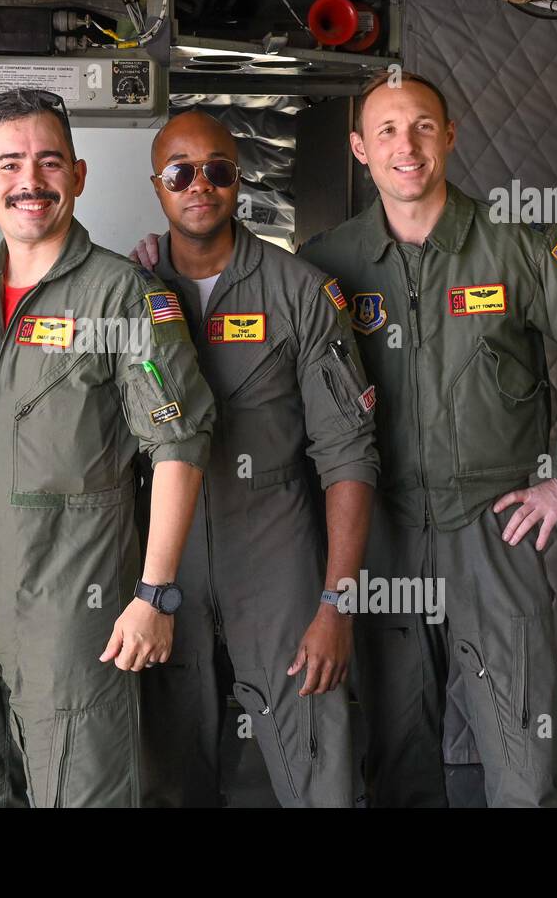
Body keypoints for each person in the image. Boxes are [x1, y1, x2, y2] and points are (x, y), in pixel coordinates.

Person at [135, 71, 557, 807]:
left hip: (490, 532)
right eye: (385, 131)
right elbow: (243, 312)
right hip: (377, 536)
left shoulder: (518, 247)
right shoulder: (327, 264)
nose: (404, 146)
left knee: (521, 755)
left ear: (449, 136)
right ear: (358, 149)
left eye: (420, 127)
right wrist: (151, 273)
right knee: (394, 753)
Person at [0, 88, 216, 807]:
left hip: (77, 621)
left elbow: (178, 442)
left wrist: (155, 593)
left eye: (47, 162)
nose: (28, 182)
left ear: (78, 174)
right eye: (8, 164)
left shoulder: (121, 296)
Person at [132, 111, 379, 807]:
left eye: (219, 170)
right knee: (168, 761)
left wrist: (336, 602)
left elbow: (347, 453)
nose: (200, 185)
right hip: (164, 554)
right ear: (158, 186)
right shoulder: (131, 293)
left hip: (276, 553)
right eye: (181, 171)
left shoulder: (301, 292)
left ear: (238, 181)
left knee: (314, 756)